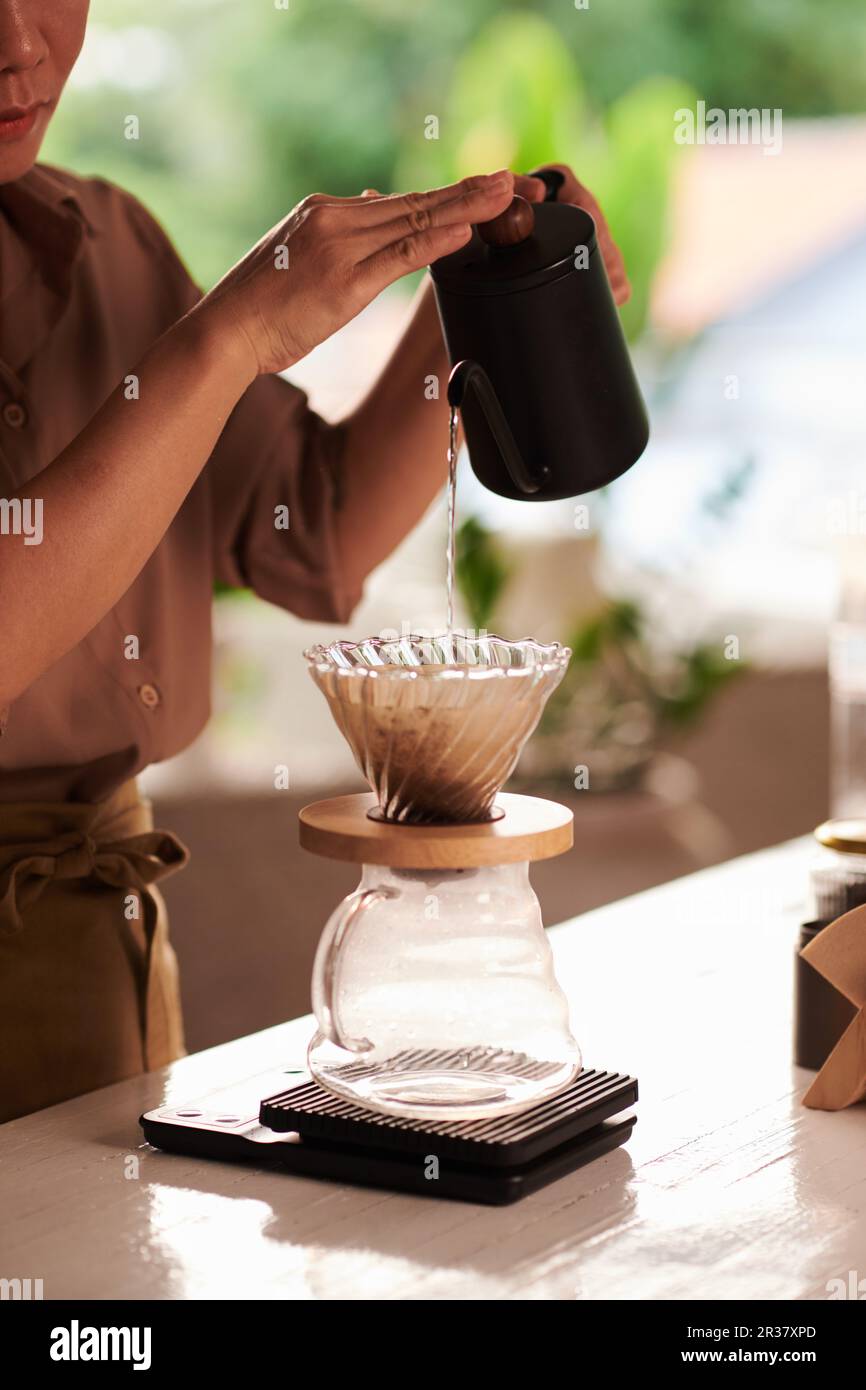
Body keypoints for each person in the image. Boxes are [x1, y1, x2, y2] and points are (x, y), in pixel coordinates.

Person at [0, 0, 630, 1121]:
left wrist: (472, 288)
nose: (17, 47)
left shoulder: (100, 241)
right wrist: (232, 331)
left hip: (106, 934)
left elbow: (318, 523)